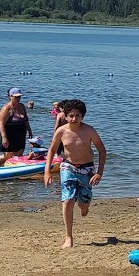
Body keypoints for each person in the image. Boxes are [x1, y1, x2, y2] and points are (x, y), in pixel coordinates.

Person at [44, 99, 107, 249]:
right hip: (68, 166)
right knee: (67, 201)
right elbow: (52, 151)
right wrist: (47, 171)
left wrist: (99, 173)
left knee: (83, 203)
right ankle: (68, 237)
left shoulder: (89, 130)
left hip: (87, 169)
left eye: (77, 115)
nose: (74, 118)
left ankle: (84, 206)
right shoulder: (61, 131)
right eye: (71, 115)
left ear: (82, 116)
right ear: (65, 116)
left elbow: (102, 151)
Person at [0, 88, 31, 167]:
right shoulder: (6, 108)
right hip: (9, 133)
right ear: (10, 96)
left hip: (21, 132)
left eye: (19, 97)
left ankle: (15, 170)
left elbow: (26, 120)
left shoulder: (22, 106)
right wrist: (4, 138)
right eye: (16, 97)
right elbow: (1, 124)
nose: (18, 98)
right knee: (8, 156)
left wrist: (30, 131)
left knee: (19, 154)